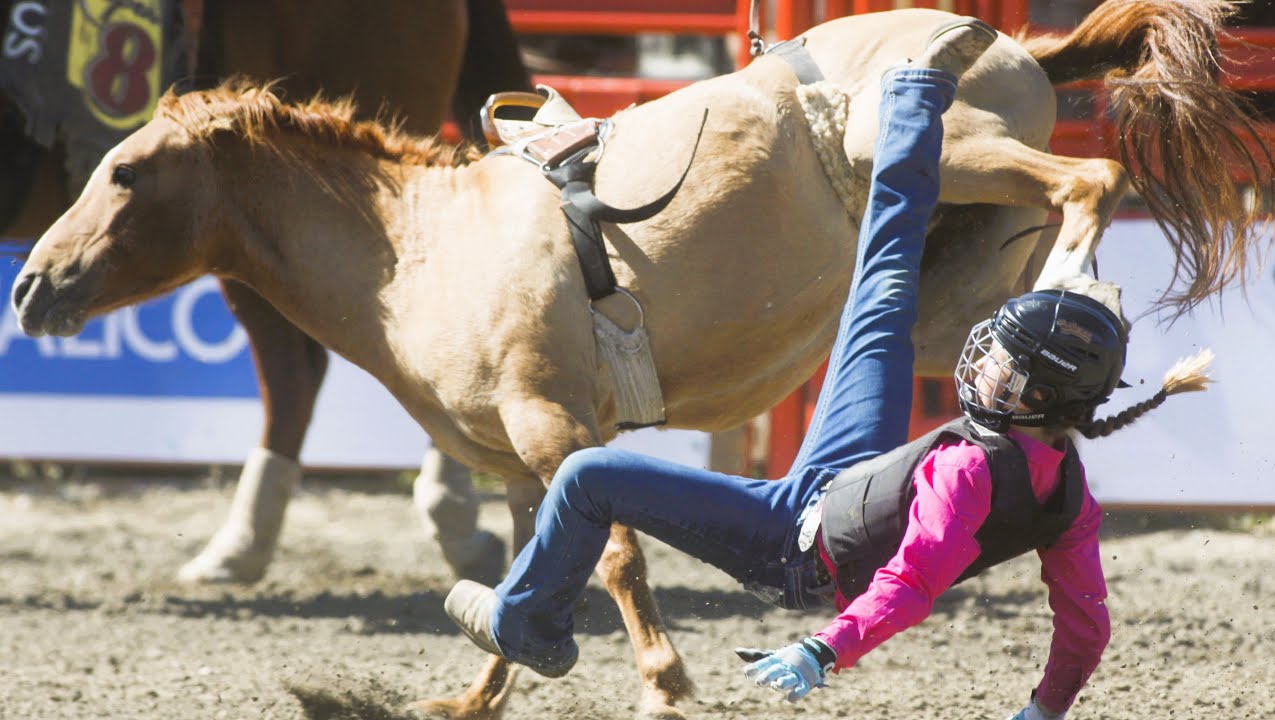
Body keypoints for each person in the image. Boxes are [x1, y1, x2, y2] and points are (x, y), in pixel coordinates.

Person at [444, 17, 1214, 720]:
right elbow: (1087, 622)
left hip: (794, 547)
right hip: (852, 482)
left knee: (585, 476)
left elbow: (909, 586)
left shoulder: (968, 477)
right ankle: (915, 98)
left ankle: (527, 623)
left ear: (1030, 394)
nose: (983, 364)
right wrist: (1048, 709)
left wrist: (825, 648)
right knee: (883, 291)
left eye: (1003, 364)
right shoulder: (1068, 494)